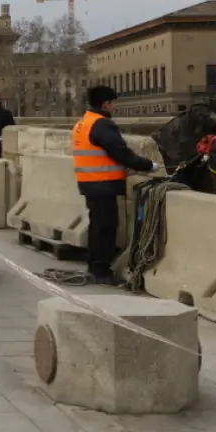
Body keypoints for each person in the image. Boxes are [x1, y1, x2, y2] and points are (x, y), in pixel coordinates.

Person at [73, 85, 156, 286]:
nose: (114, 108)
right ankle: (101, 271)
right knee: (106, 227)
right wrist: (148, 165)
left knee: (97, 226)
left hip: (89, 182)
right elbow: (120, 151)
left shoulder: (83, 122)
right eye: (113, 103)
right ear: (106, 103)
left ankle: (94, 265)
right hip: (103, 183)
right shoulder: (102, 124)